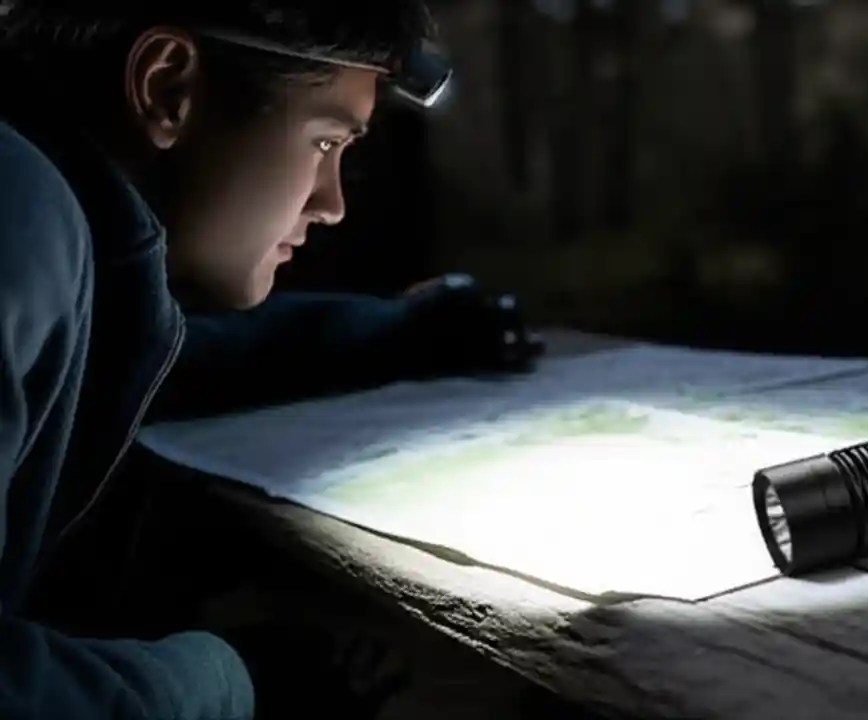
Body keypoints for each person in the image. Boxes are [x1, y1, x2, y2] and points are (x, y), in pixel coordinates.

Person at [0, 1, 539, 717]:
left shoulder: (65, 227)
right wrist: (226, 686)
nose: (333, 203)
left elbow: (183, 355)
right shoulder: (22, 215)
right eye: (325, 144)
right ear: (169, 89)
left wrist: (402, 332)